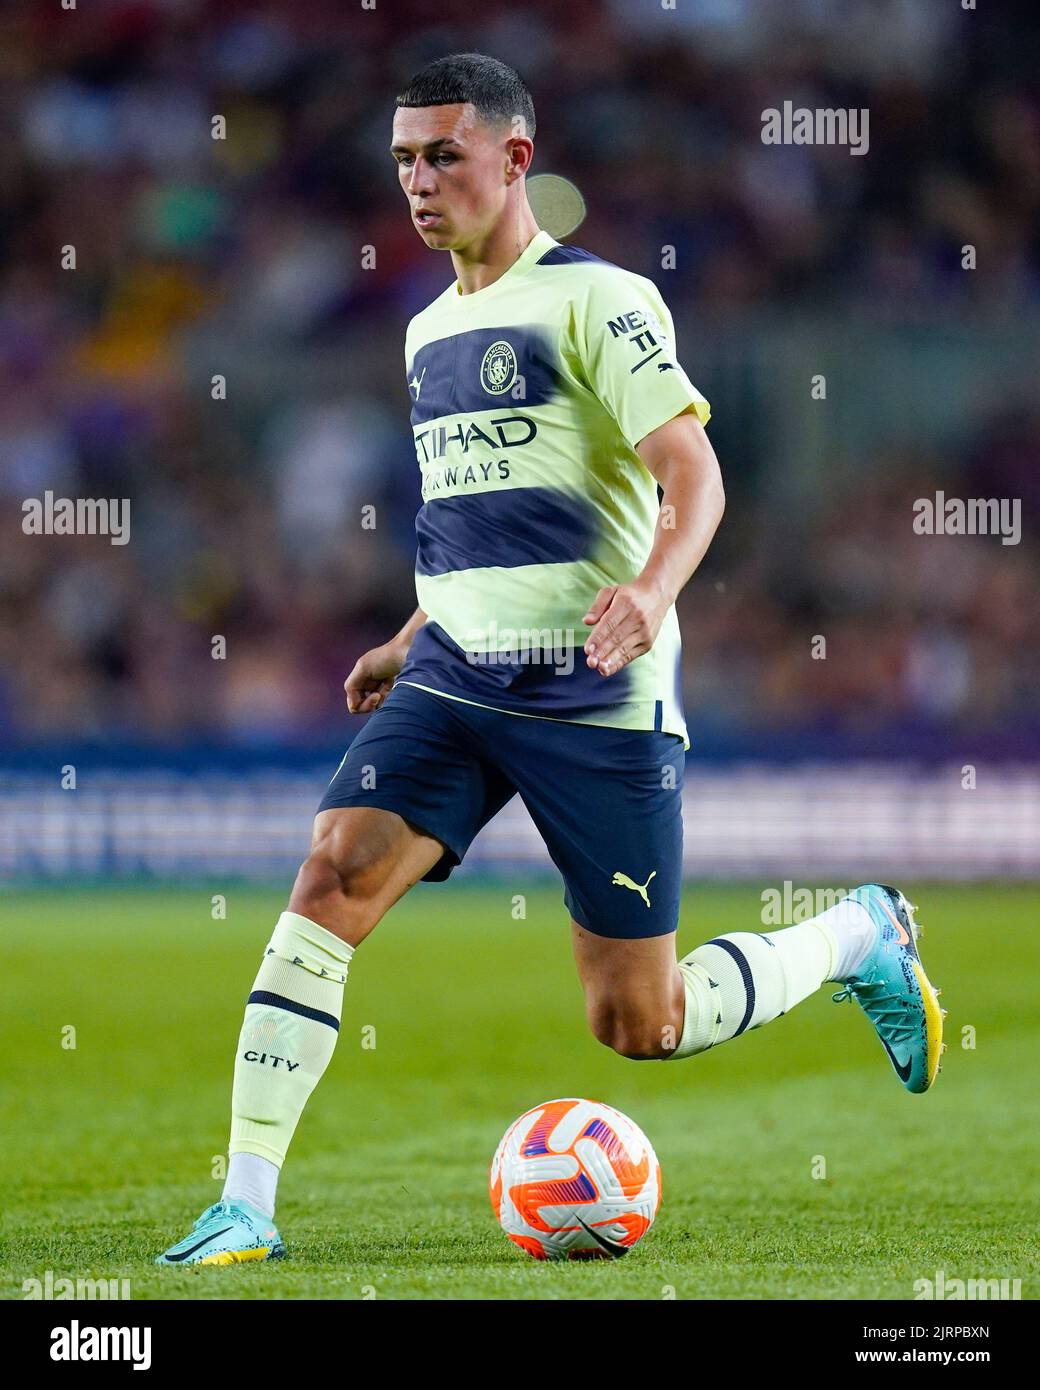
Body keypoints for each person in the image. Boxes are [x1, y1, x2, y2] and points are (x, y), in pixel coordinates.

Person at [157, 52, 944, 1266]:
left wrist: (650, 588)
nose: (419, 184)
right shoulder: (424, 328)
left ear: (515, 158)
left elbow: (694, 472)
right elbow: (484, 514)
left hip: (592, 695)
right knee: (328, 879)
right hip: (457, 678)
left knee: (640, 1021)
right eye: (404, 162)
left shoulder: (602, 300)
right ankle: (246, 1205)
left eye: (444, 156)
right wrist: (409, 633)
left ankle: (856, 937)